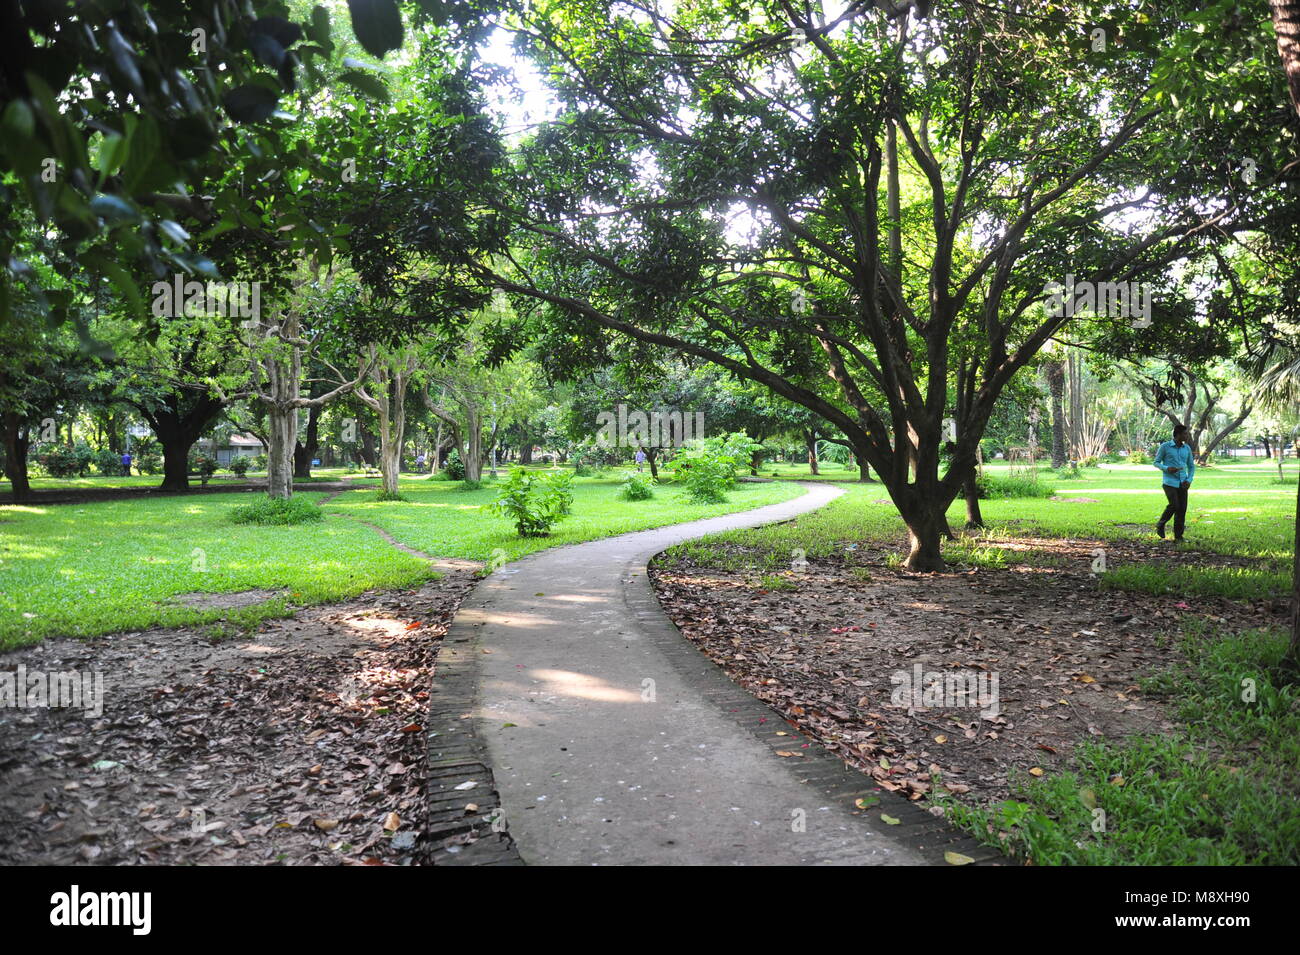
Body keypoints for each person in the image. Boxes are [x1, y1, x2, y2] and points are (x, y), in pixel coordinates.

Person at [1154, 424, 1195, 540]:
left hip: (1183, 483)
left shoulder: (1186, 448)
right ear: (1178, 434)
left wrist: (1189, 480)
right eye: (1185, 434)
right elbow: (1156, 462)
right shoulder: (1165, 447)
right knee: (1174, 505)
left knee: (1182, 509)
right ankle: (1160, 524)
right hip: (1169, 482)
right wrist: (1167, 468)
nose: (1187, 436)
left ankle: (1179, 536)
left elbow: (1191, 466)